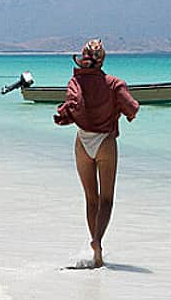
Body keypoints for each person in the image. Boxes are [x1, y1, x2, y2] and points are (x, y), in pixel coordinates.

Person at [53, 39, 139, 268]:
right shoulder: (114, 84)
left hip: (82, 140)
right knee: (107, 199)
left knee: (91, 199)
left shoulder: (75, 82)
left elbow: (69, 107)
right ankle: (97, 241)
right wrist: (121, 111)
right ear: (103, 60)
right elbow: (132, 108)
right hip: (105, 142)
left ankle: (96, 251)